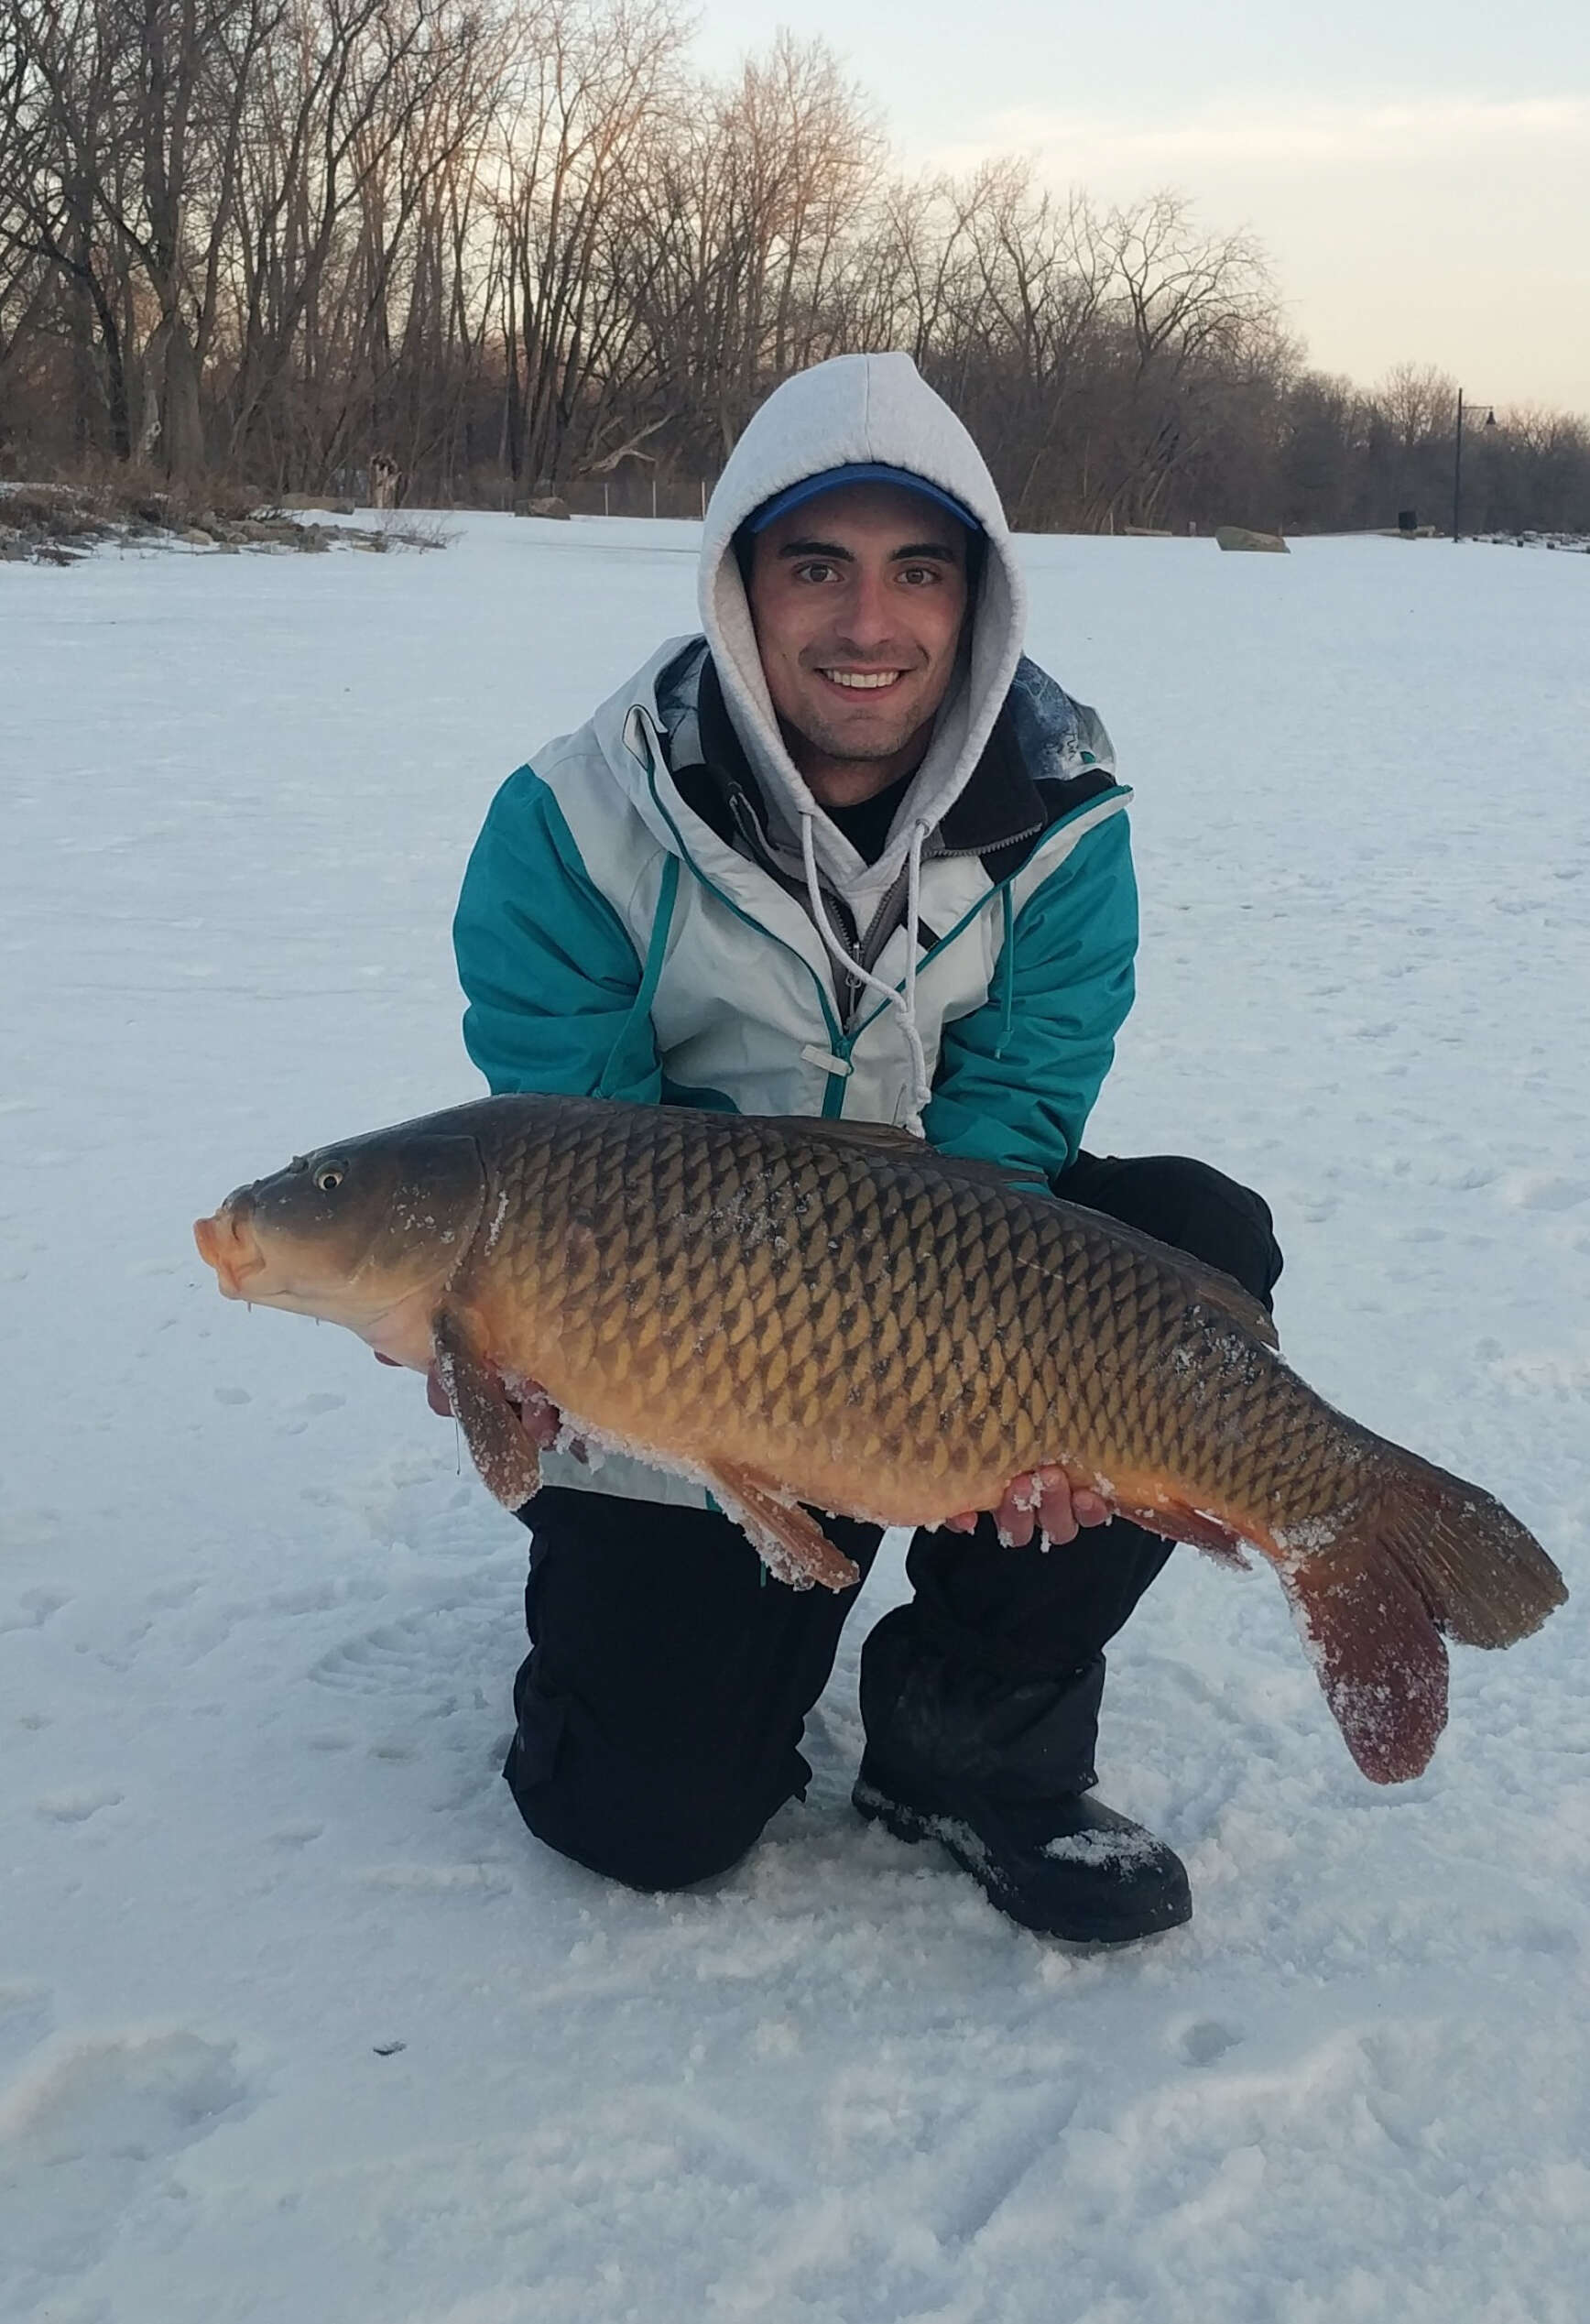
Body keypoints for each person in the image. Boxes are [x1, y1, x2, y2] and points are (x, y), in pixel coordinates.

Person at [445, 352, 1282, 1944]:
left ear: (978, 599)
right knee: (646, 1816)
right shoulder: (572, 826)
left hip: (930, 1294)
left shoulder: (1066, 816)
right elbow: (585, 1183)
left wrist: (985, 1420)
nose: (868, 623)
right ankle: (657, 1641)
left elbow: (1007, 1140)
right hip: (692, 1340)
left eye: (919, 571)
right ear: (742, 586)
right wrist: (521, 1344)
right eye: (816, 566)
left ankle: (969, 1739)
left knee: (1197, 1240)